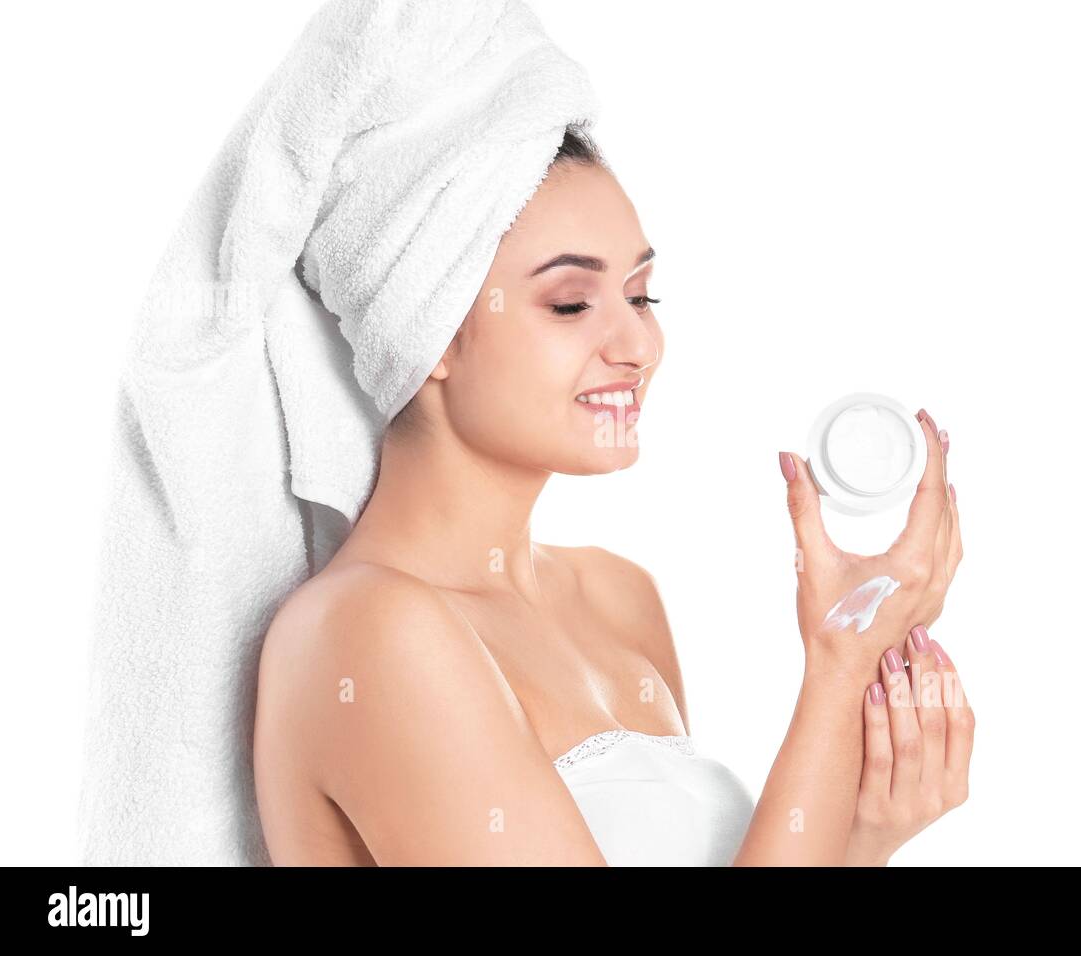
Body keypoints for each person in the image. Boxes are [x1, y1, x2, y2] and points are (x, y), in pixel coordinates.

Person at [252, 125, 972, 866]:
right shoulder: (362, 632)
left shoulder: (616, 597)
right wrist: (838, 670)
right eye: (570, 303)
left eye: (640, 294)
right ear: (429, 333)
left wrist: (857, 838)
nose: (639, 345)